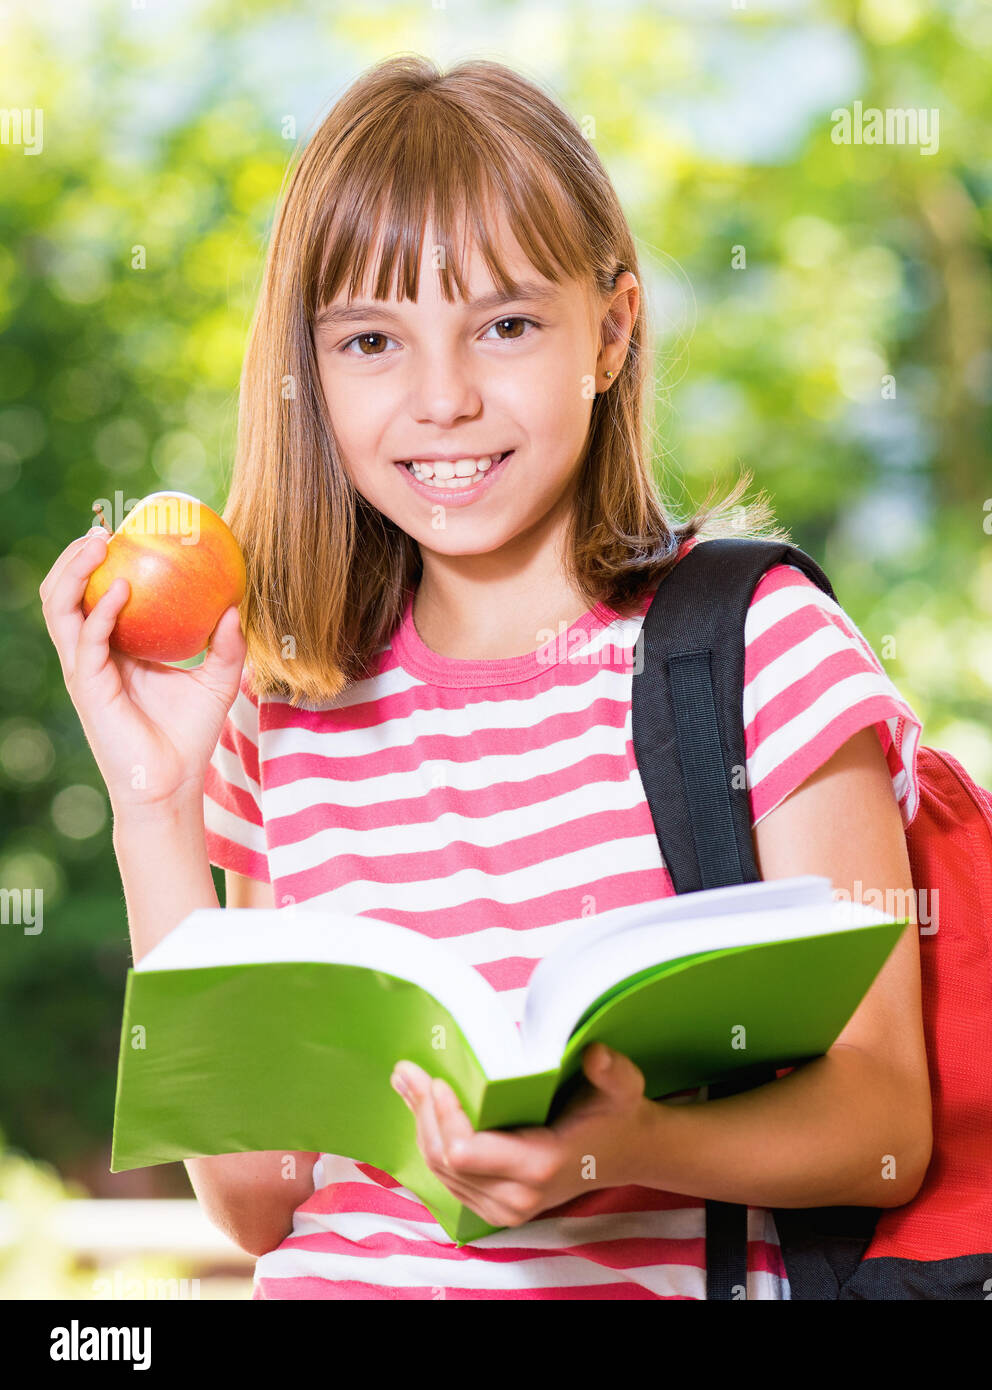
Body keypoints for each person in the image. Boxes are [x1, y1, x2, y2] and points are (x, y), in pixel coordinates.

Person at [42, 53, 931, 1300]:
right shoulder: (277, 705)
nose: (444, 399)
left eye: (506, 324)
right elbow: (256, 1198)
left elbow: (885, 1127)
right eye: (370, 340)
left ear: (612, 330)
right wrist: (154, 803)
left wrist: (627, 1147)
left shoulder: (755, 647)